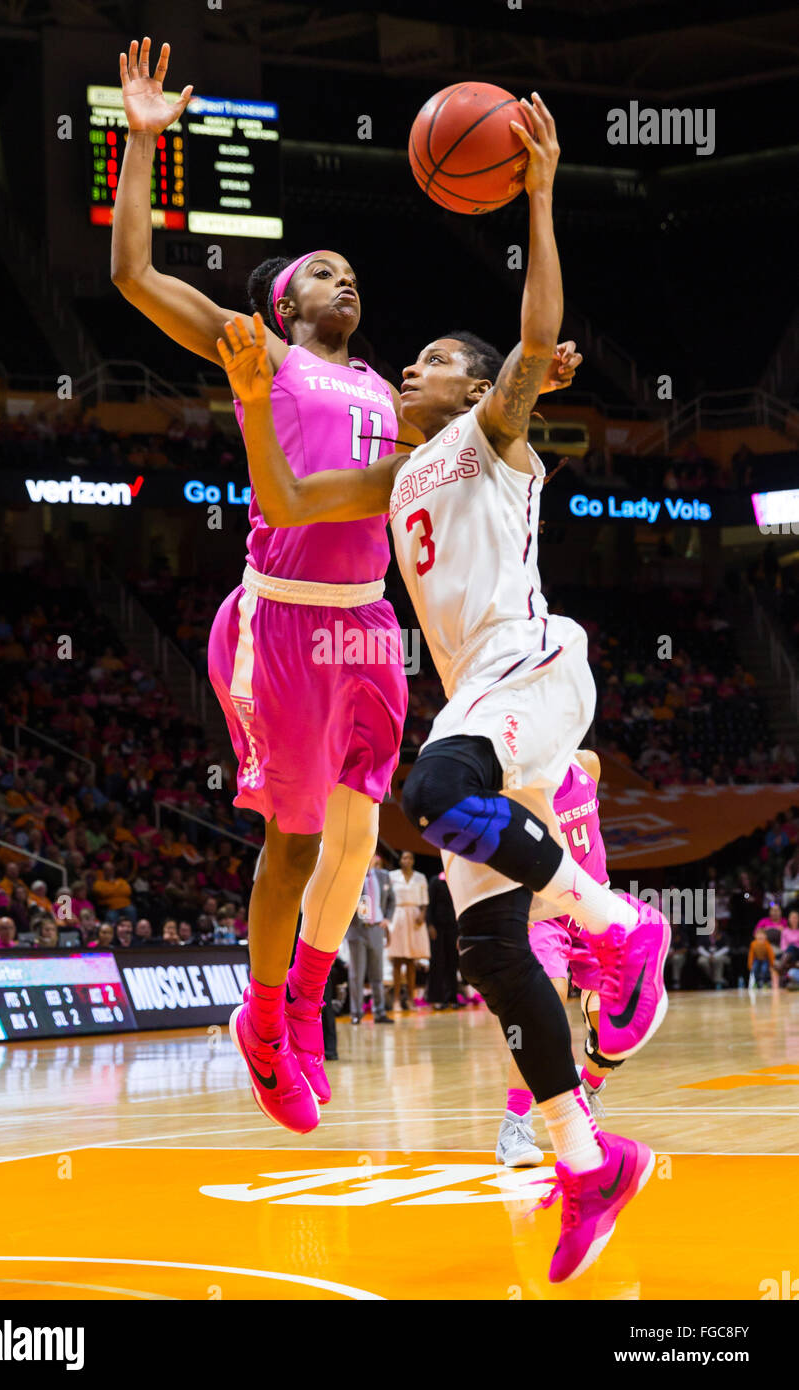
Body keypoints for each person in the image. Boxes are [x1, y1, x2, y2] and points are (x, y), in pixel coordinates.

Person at [216, 93, 668, 1283]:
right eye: (405, 362)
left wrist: (536, 193)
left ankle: (620, 930)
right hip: (483, 704)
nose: (401, 368)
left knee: (429, 786)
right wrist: (255, 405)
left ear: (468, 393)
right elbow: (291, 505)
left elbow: (531, 335)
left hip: (529, 669)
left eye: (426, 363)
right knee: (487, 951)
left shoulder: (487, 437)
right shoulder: (397, 473)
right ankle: (581, 1158)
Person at [113, 38, 580, 1139]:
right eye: (317, 268)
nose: (341, 277)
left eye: (347, 269)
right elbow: (133, 278)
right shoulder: (261, 357)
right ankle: (263, 1019)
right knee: (288, 840)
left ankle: (309, 1000)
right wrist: (139, 143)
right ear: (280, 306)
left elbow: (493, 403)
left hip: (369, 627)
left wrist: (540, 368)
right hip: (279, 619)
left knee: (360, 838)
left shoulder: (392, 387)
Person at [496, 751, 625, 1166]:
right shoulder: (515, 782)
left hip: (592, 906)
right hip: (543, 912)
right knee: (541, 1010)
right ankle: (514, 1126)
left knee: (625, 1013)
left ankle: (587, 1087)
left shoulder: (588, 764)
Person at [345, 851, 395, 1025]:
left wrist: (387, 919)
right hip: (357, 929)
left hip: (376, 928)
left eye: (372, 855)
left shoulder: (383, 876)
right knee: (356, 975)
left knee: (377, 974)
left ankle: (379, 1012)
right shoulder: (352, 876)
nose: (369, 857)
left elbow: (391, 900)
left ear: (376, 858)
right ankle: (356, 1013)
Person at [387, 850, 430, 1011]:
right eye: (404, 857)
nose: (407, 860)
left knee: (412, 961)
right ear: (400, 861)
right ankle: (396, 1000)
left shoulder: (420, 877)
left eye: (410, 857)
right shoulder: (392, 876)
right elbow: (388, 898)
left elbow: (425, 900)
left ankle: (411, 1000)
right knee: (397, 960)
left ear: (413, 861)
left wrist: (423, 915)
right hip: (397, 915)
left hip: (414, 916)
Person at [426, 870, 460, 1010]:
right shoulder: (435, 881)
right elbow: (430, 904)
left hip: (453, 927)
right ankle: (437, 999)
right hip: (437, 928)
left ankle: (452, 997)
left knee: (453, 962)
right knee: (438, 962)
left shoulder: (456, 880)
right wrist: (430, 925)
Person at [696, 924, 731, 989]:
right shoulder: (704, 935)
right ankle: (718, 979)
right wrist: (709, 955)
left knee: (717, 959)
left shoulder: (723, 935)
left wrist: (715, 955)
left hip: (720, 955)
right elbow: (699, 948)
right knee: (701, 961)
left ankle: (717, 982)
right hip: (707, 955)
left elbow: (727, 948)